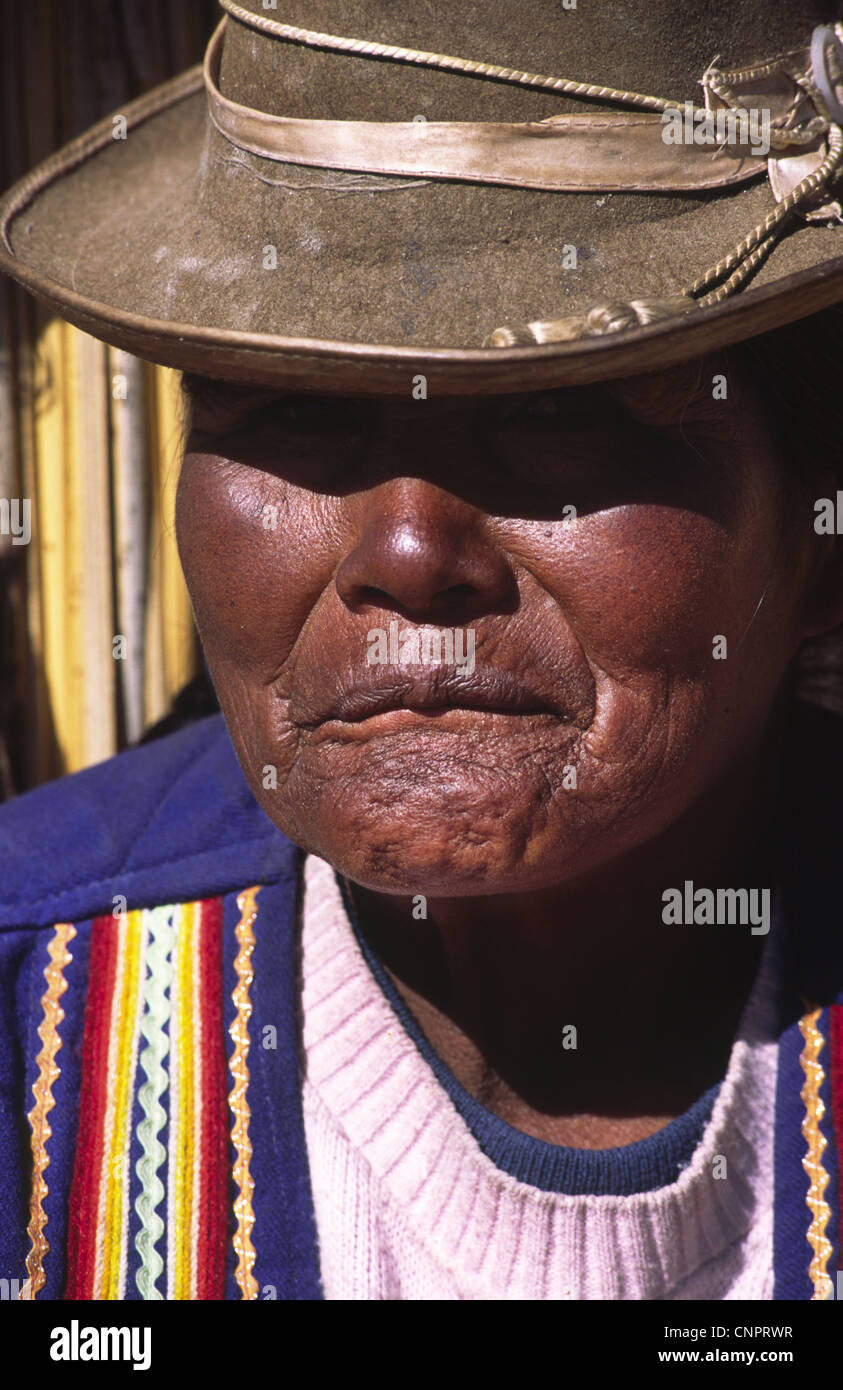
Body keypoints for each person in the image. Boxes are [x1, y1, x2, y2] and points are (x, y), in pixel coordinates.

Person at [1, 0, 843, 1302]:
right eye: (289, 404)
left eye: (561, 408)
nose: (403, 545)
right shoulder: (29, 1030)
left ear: (821, 521)